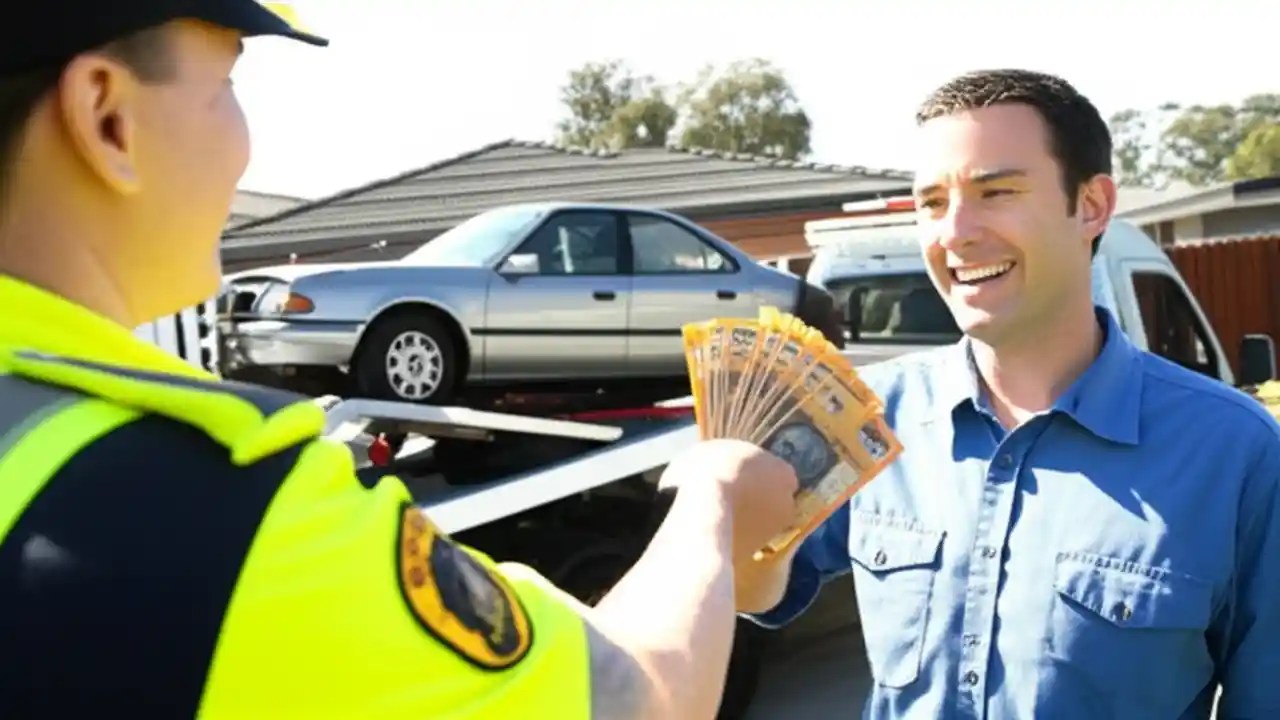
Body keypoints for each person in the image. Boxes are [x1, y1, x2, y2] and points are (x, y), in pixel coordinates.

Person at [0, 2, 800, 718]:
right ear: (108, 118)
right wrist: (714, 496)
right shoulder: (216, 522)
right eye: (226, 84)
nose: (245, 142)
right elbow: (648, 700)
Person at [736, 68, 1280, 719]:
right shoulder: (866, 415)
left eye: (996, 192)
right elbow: (761, 590)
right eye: (932, 202)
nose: (955, 232)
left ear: (1092, 206)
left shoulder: (1237, 453)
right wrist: (730, 518)